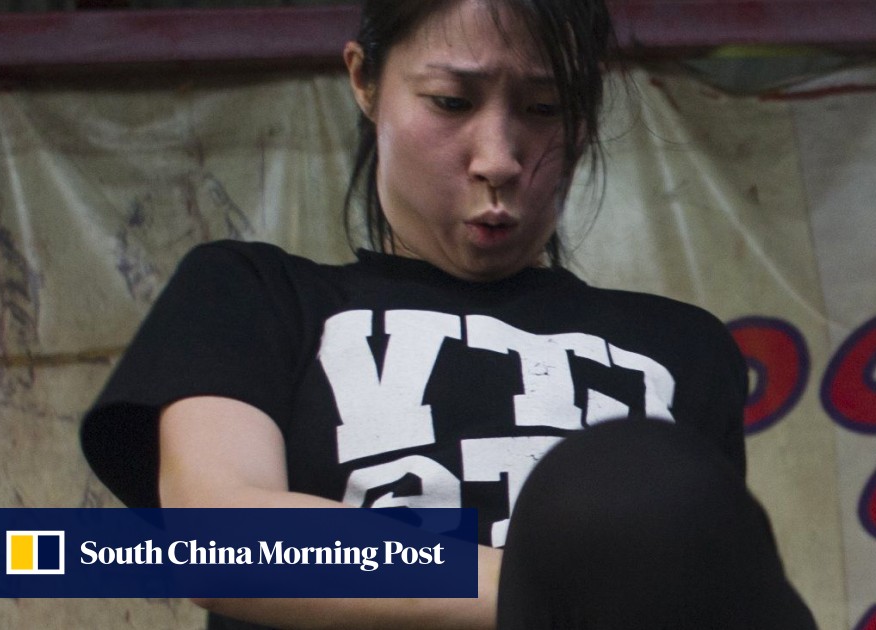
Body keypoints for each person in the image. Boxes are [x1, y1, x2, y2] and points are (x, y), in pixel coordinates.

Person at [80, 0, 816, 628]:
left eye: (544, 107)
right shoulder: (250, 295)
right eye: (452, 102)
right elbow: (221, 538)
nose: (498, 158)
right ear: (365, 80)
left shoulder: (682, 347)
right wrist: (559, 593)